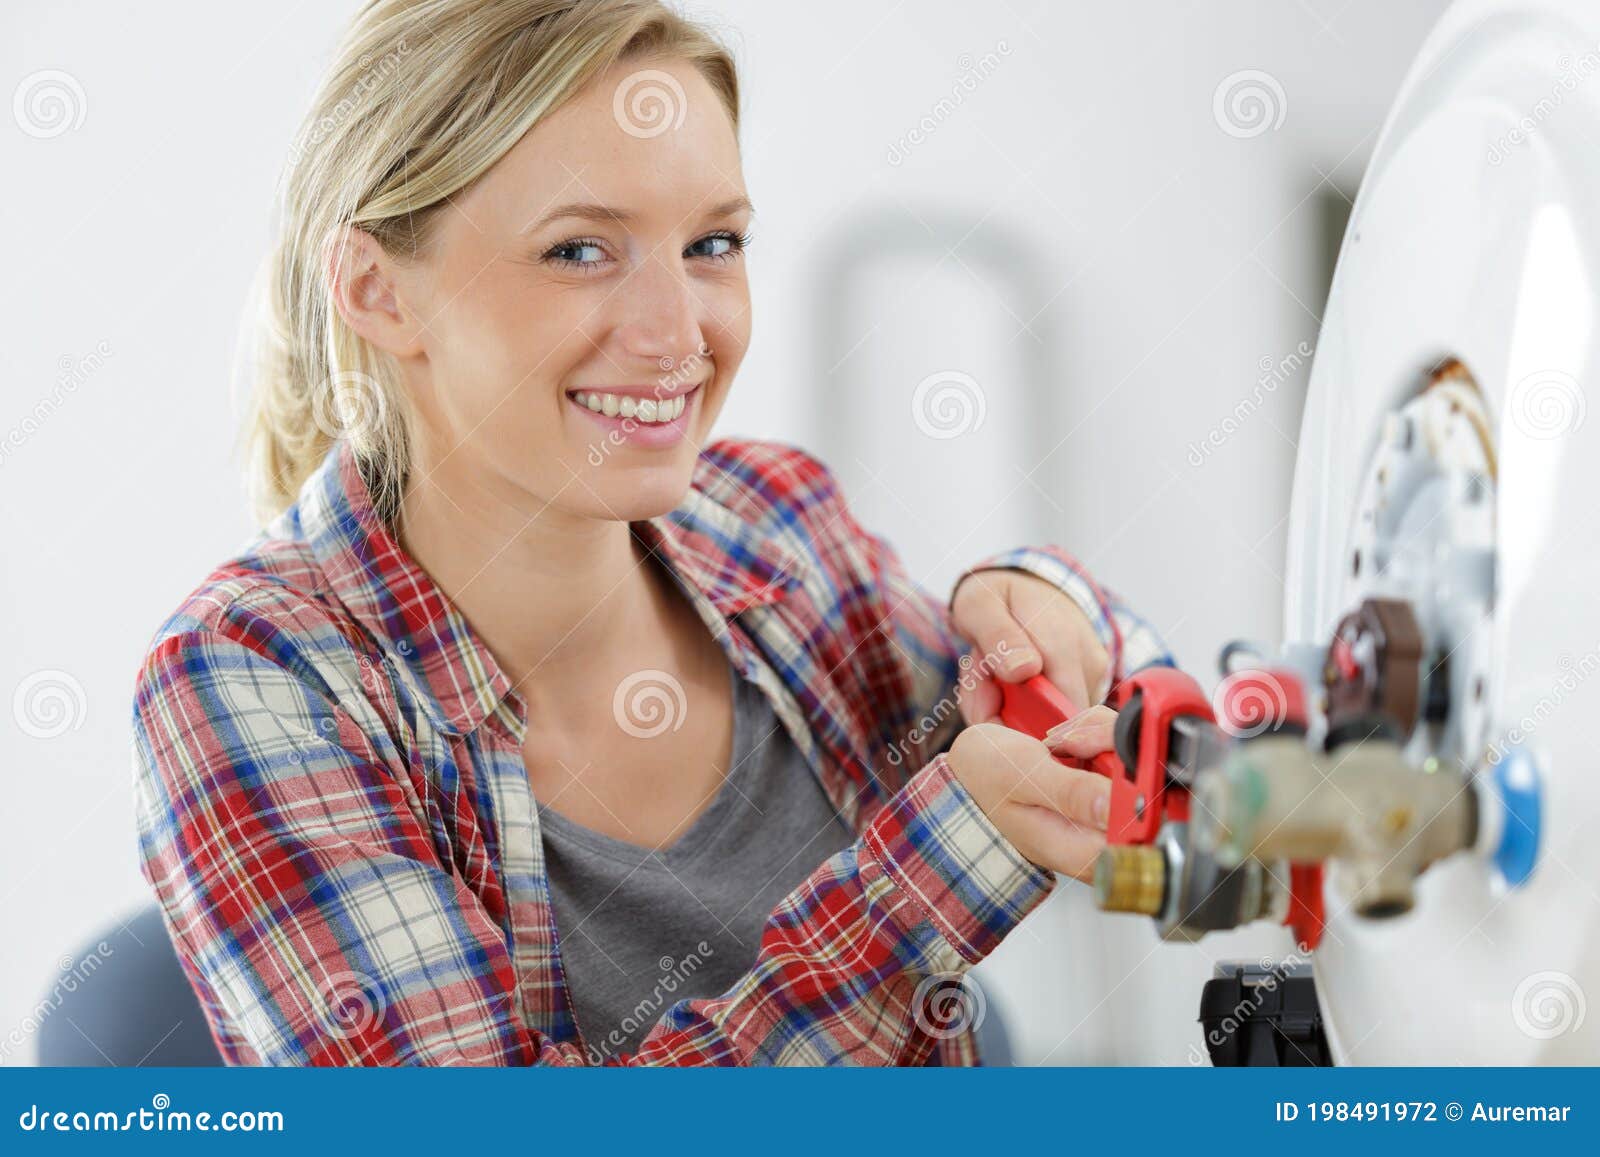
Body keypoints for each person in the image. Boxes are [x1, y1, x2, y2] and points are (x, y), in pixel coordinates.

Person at [131, 0, 1174, 1066]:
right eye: (579, 249)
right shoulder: (253, 673)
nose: (681, 334)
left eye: (712, 243)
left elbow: (1110, 717)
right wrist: (945, 869)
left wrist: (1048, 608)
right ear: (377, 289)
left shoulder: (771, 527)